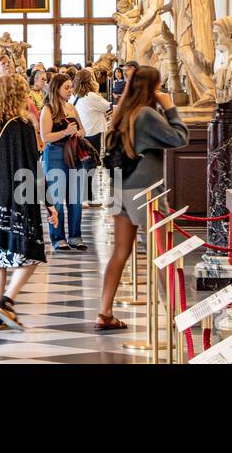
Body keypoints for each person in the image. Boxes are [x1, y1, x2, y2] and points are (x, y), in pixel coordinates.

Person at [95, 66, 188, 331]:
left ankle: (105, 312)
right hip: (142, 190)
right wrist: (169, 107)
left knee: (120, 252)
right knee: (162, 253)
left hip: (120, 189)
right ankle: (175, 314)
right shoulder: (146, 115)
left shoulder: (123, 112)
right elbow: (180, 137)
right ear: (152, 87)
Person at [0, 75, 47, 329]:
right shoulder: (24, 125)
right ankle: (6, 301)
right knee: (32, 253)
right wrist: (47, 201)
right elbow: (32, 167)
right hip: (17, 195)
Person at [39, 74, 86, 251]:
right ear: (56, 88)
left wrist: (79, 132)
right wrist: (66, 132)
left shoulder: (72, 108)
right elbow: (46, 137)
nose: (70, 91)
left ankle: (75, 236)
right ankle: (58, 237)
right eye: (66, 87)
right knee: (57, 199)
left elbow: (82, 129)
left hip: (73, 154)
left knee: (75, 198)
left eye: (71, 87)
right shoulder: (48, 109)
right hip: (55, 155)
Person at [71, 69, 109, 207]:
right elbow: (106, 106)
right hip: (92, 134)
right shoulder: (92, 95)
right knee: (90, 167)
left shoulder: (75, 95)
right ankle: (85, 198)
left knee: (84, 166)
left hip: (81, 134)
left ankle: (87, 197)